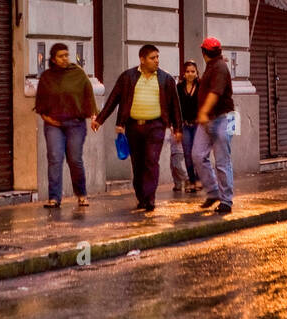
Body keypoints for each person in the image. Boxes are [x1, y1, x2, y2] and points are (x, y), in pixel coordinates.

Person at [92, 44, 182, 213]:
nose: (156, 61)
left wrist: (178, 128)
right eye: (152, 58)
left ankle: (150, 198)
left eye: (157, 57)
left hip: (156, 126)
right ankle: (142, 196)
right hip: (134, 127)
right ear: (142, 59)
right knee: (138, 164)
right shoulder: (128, 77)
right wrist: (100, 119)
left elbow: (175, 106)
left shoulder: (165, 79)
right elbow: (113, 99)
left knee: (151, 160)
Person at [34, 42, 97, 209]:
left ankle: (82, 194)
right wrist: (47, 118)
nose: (65, 59)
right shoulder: (47, 77)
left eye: (66, 55)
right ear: (53, 59)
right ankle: (54, 198)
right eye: (61, 56)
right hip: (54, 124)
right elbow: (40, 102)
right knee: (54, 158)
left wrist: (93, 115)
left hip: (75, 124)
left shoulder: (77, 73)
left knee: (74, 159)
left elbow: (88, 94)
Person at [192, 37, 236, 214]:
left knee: (222, 161)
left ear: (204, 53)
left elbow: (215, 92)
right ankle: (213, 191)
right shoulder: (213, 66)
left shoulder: (219, 67)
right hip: (211, 119)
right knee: (197, 155)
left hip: (224, 117)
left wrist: (203, 111)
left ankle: (226, 201)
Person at [170, 59, 202, 192]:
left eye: (192, 71)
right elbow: (174, 107)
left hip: (198, 125)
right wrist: (175, 125)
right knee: (187, 154)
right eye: (187, 71)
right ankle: (192, 181)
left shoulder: (201, 86)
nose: (190, 74)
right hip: (185, 125)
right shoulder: (179, 88)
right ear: (184, 73)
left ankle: (199, 178)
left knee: (198, 154)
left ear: (196, 73)